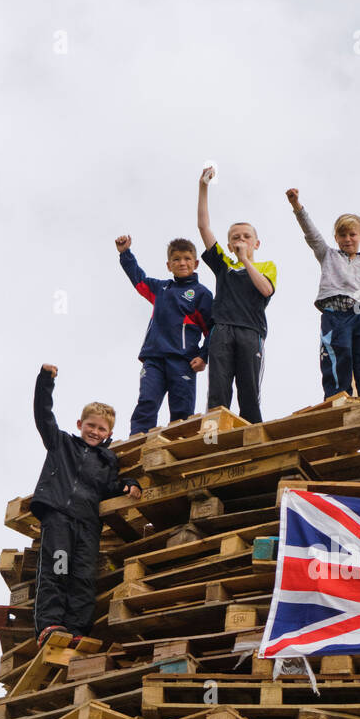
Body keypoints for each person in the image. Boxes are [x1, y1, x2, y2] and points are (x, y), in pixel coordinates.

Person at [31, 364, 141, 648]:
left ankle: (76, 629)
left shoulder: (106, 460)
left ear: (108, 434)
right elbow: (43, 415)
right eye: (90, 425)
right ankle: (50, 625)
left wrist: (128, 483)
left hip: (88, 524)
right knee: (57, 569)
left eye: (101, 429)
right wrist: (46, 381)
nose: (94, 431)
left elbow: (109, 487)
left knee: (83, 576)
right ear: (80, 425)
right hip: (59, 517)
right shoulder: (61, 443)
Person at [285, 189, 360, 401]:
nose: (347, 239)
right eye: (342, 235)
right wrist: (297, 206)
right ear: (336, 237)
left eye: (352, 234)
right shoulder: (328, 255)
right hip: (334, 314)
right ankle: (336, 400)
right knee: (336, 357)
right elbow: (311, 234)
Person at [197, 166, 276, 423]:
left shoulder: (266, 267)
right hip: (222, 331)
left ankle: (253, 439)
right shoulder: (224, 264)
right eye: (235, 238)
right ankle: (212, 442)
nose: (241, 240)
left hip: (250, 332)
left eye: (246, 236)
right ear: (229, 244)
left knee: (249, 392)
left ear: (256, 243)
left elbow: (265, 290)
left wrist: (245, 261)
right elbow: (203, 226)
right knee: (218, 392)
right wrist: (204, 187)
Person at [116, 235, 213, 435]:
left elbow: (213, 329)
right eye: (176, 259)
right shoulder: (161, 288)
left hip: (183, 361)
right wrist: (125, 253)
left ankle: (180, 449)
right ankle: (138, 442)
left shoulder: (201, 293)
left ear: (195, 263)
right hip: (154, 358)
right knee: (147, 402)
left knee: (181, 410)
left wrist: (204, 356)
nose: (182, 263)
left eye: (187, 258)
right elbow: (138, 279)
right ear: (169, 265)